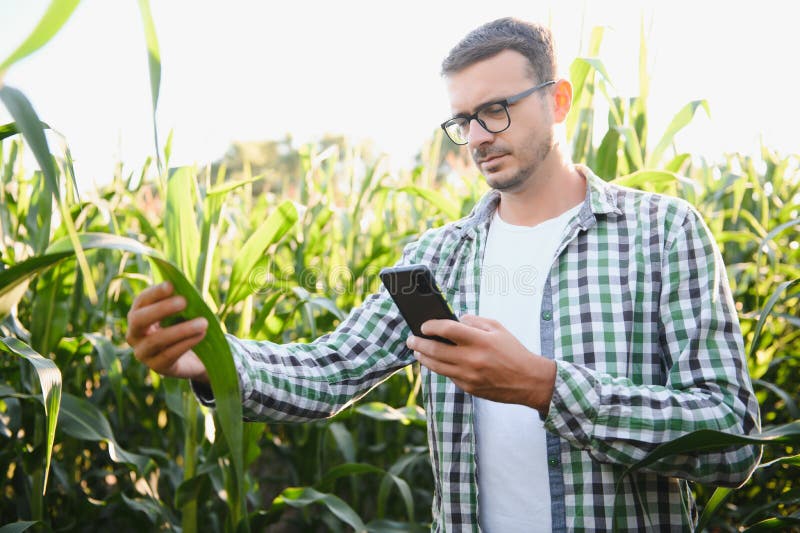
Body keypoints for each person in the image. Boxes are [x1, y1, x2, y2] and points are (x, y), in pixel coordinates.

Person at [126, 17, 761, 532]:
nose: (479, 136)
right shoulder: (435, 258)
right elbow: (331, 370)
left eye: (497, 110)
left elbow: (731, 437)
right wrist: (212, 360)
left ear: (559, 99)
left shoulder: (661, 233)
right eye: (463, 121)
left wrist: (544, 386)